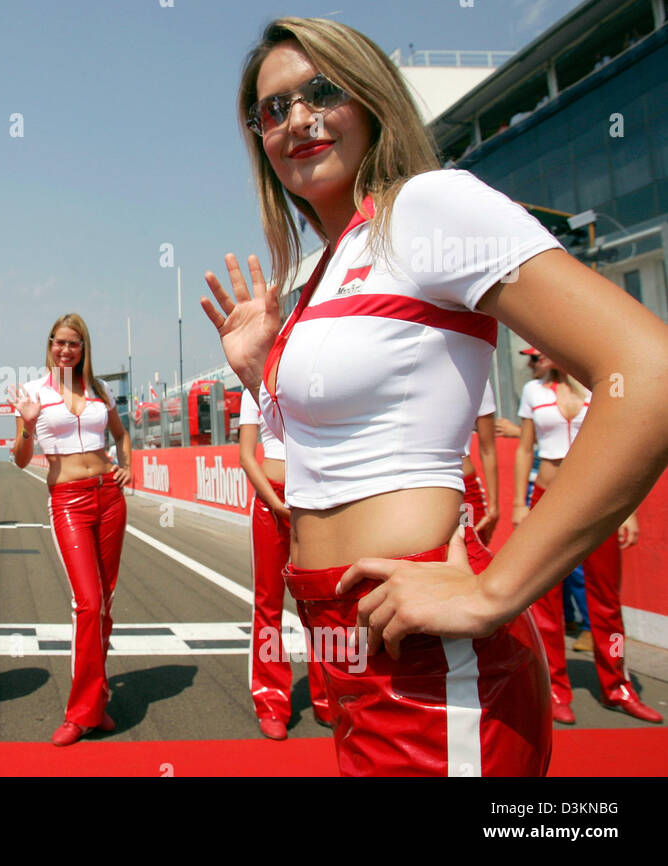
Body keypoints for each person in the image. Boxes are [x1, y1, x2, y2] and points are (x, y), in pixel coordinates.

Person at [203, 18, 668, 776]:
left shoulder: (428, 208)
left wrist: (496, 592)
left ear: (372, 97)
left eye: (323, 92)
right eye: (274, 108)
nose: (299, 119)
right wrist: (265, 378)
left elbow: (649, 372)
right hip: (350, 649)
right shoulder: (328, 264)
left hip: (432, 669)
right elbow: (355, 447)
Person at [514, 351, 659, 723]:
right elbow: (525, 447)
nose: (536, 358)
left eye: (541, 352)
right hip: (546, 497)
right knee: (545, 600)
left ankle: (617, 687)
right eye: (533, 354)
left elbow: (620, 450)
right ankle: (554, 688)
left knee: (606, 600)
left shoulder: (601, 388)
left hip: (597, 500)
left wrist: (628, 510)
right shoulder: (533, 390)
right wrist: (519, 502)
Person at [11, 313, 131, 746]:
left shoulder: (99, 390)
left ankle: (96, 704)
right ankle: (80, 713)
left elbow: (121, 435)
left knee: (106, 604)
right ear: (49, 345)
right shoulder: (33, 393)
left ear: (84, 349)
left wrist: (128, 466)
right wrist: (26, 423)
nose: (66, 350)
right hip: (69, 502)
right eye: (59, 342)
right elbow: (21, 459)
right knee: (89, 602)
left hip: (109, 498)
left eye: (74, 343)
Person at [238, 389, 332, 738]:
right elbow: (246, 456)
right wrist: (275, 504)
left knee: (321, 602)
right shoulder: (252, 386)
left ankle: (328, 697)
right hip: (270, 502)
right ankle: (271, 700)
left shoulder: (310, 377)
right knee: (268, 603)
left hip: (315, 501)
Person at [461, 381, 500, 543]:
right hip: (413, 489)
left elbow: (488, 449)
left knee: (468, 545)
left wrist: (494, 506)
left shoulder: (476, 378)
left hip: (463, 494)